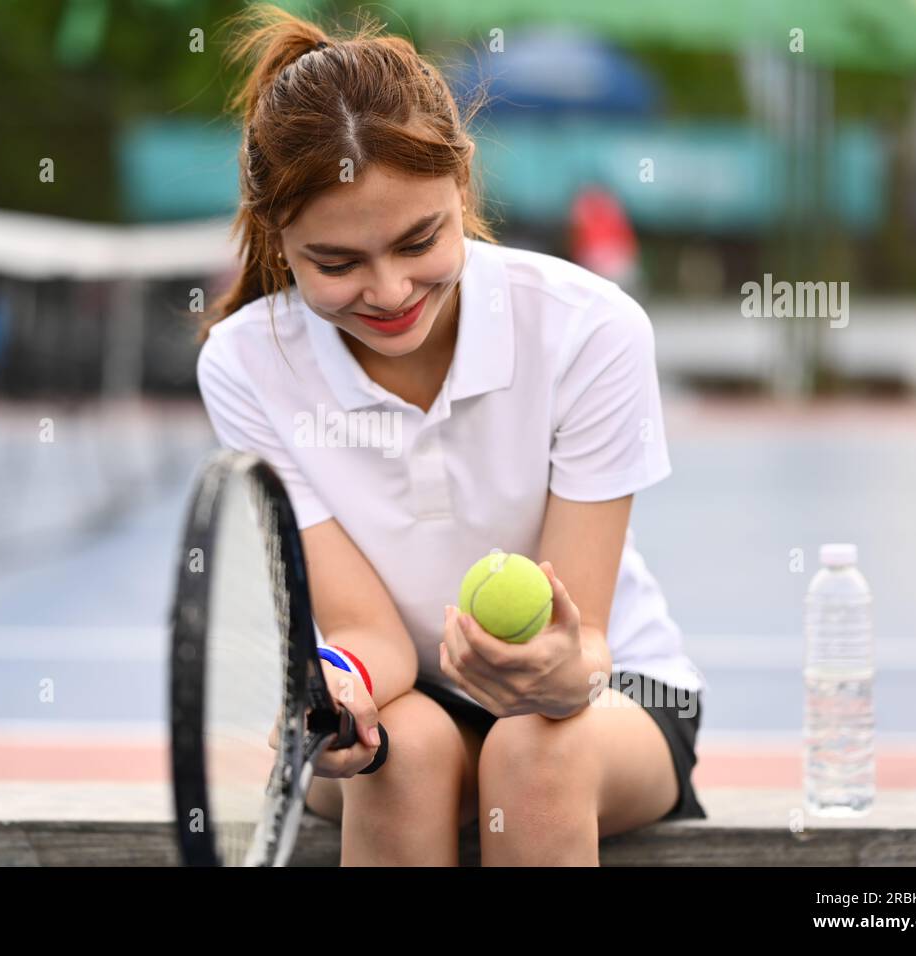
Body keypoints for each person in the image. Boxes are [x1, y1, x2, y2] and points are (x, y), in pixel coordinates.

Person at [194, 4, 707, 866]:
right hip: (393, 699)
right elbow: (370, 635)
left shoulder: (592, 330)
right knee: (407, 758)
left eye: (419, 239)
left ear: (460, 185)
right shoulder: (244, 364)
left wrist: (555, 674)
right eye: (337, 262)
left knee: (531, 749)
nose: (389, 291)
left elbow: (582, 651)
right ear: (280, 241)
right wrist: (341, 691)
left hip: (610, 698)